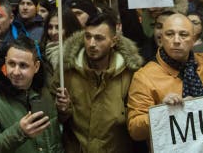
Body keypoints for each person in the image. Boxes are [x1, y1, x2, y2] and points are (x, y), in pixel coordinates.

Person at [126, 13, 203, 142]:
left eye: (183, 35)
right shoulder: (144, 77)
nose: (176, 40)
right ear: (161, 39)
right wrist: (163, 111)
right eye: (169, 34)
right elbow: (135, 130)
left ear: (193, 40)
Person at [56, 13, 143, 152]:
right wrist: (63, 110)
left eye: (99, 38)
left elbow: (137, 118)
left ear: (114, 41)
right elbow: (53, 118)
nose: (91, 44)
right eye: (88, 36)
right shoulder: (67, 70)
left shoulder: (129, 73)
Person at [0, 36, 63, 153]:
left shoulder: (44, 93)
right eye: (11, 64)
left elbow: (55, 142)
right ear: (5, 62)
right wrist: (20, 132)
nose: (15, 72)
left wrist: (63, 111)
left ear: (36, 67)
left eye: (23, 65)